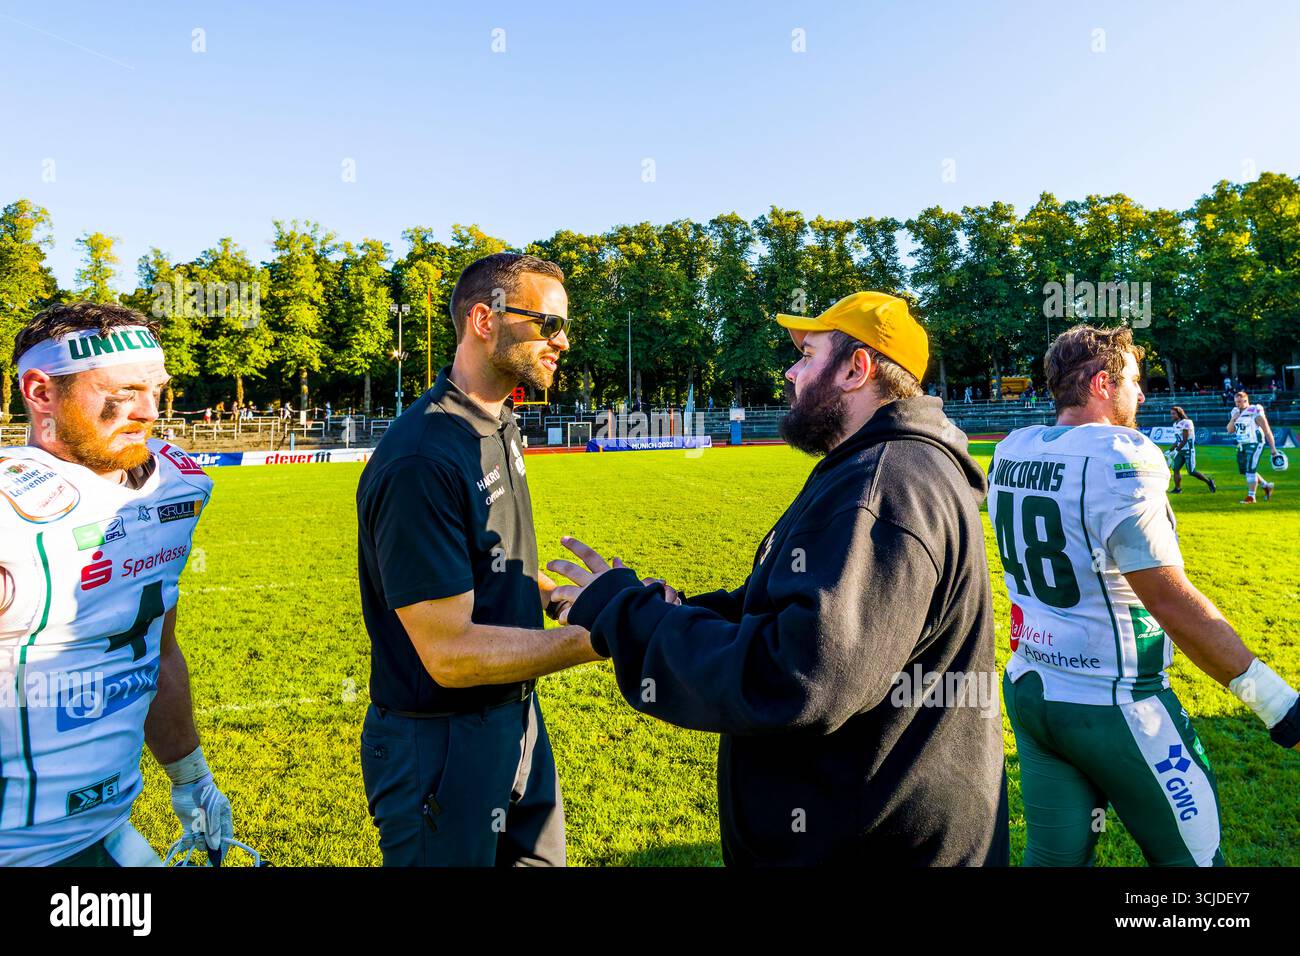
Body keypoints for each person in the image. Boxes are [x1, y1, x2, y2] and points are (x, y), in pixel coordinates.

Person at [548, 291, 1009, 866]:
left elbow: (798, 676)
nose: (790, 373)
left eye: (806, 355)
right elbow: (779, 608)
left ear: (855, 368)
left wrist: (627, 615)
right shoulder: (881, 469)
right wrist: (662, 608)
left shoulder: (884, 484)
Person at [989, 325, 1300, 867]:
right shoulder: (1121, 454)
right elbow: (1171, 603)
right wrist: (1281, 707)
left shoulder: (1015, 449)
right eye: (1135, 379)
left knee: (1052, 862)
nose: (1143, 394)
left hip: (1031, 689)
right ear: (1103, 382)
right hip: (1116, 702)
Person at [356, 253, 602, 867]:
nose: (562, 341)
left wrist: (555, 595)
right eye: (548, 324)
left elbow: (488, 555)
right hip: (439, 741)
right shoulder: (423, 457)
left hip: (515, 716)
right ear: (485, 320)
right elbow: (450, 654)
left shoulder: (496, 420)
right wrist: (599, 637)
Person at [0, 302, 238, 866]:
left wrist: (189, 777)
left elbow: (158, 644)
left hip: (107, 831)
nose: (149, 411)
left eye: (157, 388)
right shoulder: (11, 514)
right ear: (41, 392)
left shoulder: (173, 488)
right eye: (123, 391)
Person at [1227, 391, 1279, 504]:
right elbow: (1230, 430)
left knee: (1250, 470)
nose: (1238, 404)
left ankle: (1251, 497)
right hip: (1242, 444)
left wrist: (1273, 449)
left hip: (1255, 443)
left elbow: (1267, 430)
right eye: (1236, 402)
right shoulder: (1235, 412)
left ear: (1246, 401)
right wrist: (1233, 419)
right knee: (1247, 471)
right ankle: (1267, 486)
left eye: (1240, 402)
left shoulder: (1255, 410)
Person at [1167, 406, 1215, 494]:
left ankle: (1209, 482)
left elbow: (1185, 439)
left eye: (1173, 413)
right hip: (1180, 451)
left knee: (1191, 471)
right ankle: (1178, 489)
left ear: (1179, 413)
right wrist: (1170, 449)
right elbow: (1178, 440)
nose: (1172, 415)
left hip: (1188, 450)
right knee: (1176, 469)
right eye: (1171, 413)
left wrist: (1176, 450)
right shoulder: (1175, 424)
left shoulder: (1187, 422)